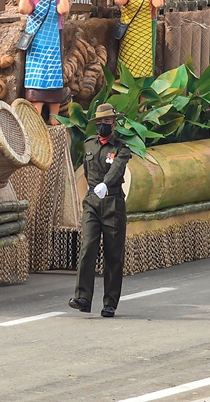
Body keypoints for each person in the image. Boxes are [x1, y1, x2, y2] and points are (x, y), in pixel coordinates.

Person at [70, 103, 132, 318]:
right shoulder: (89, 145)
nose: (103, 126)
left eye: (107, 122)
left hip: (113, 202)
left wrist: (106, 184)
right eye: (100, 122)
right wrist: (93, 190)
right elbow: (87, 172)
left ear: (114, 124)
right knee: (88, 246)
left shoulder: (121, 148)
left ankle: (110, 302)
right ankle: (83, 298)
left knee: (113, 255)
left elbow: (117, 169)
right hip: (92, 203)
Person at [17, 0, 70, 119]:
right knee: (36, 76)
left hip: (53, 43)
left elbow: (64, 10)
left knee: (54, 75)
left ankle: (54, 117)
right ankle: (36, 116)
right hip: (36, 44)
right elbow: (23, 9)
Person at [115, 0, 163, 79]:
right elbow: (119, 0)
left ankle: (143, 92)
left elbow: (158, 3)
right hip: (130, 31)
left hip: (146, 32)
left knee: (145, 60)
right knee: (128, 58)